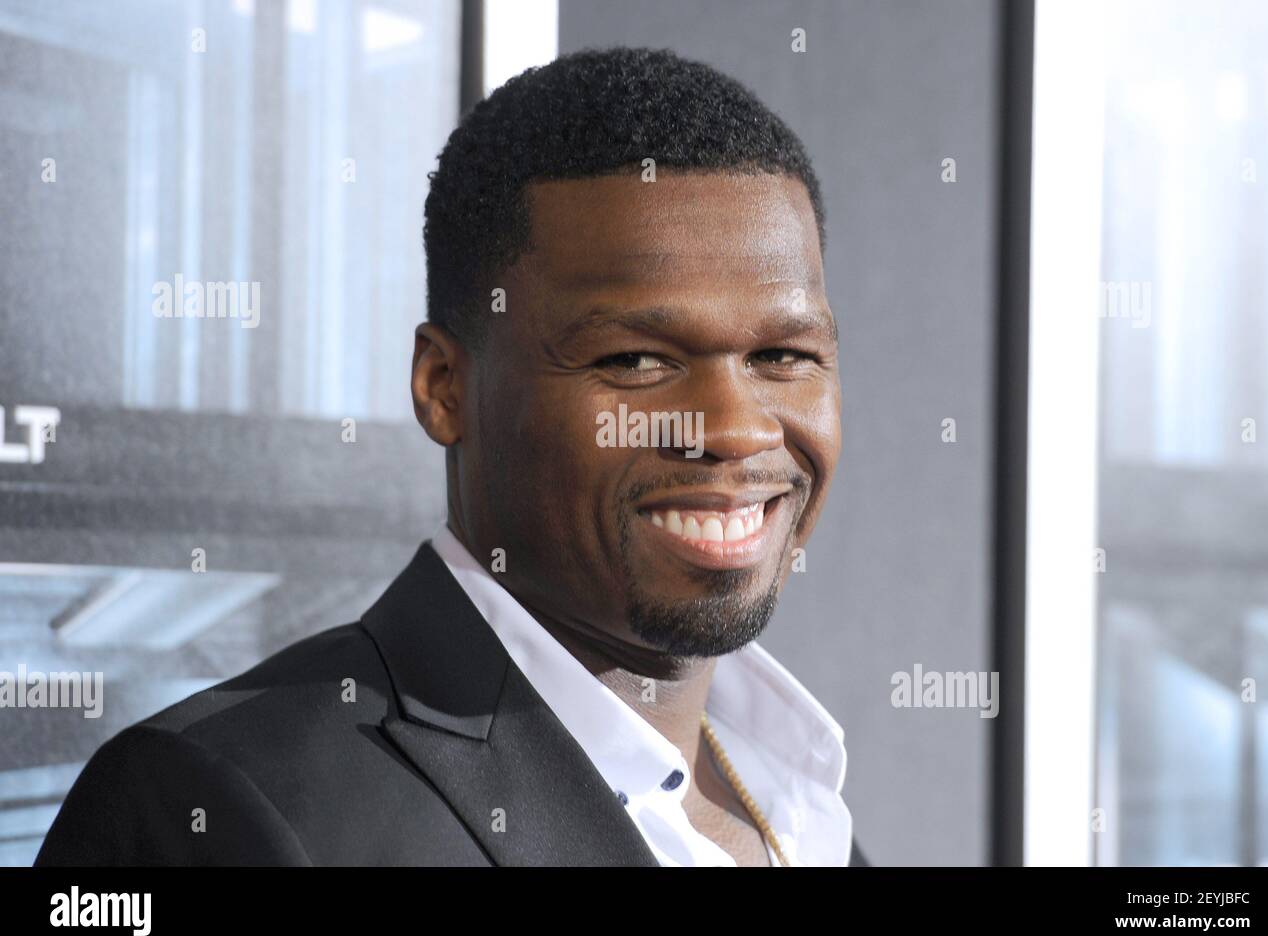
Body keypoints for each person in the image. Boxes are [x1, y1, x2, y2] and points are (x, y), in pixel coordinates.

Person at [36, 46, 866, 867]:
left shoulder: (799, 796)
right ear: (444, 388)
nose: (733, 428)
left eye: (784, 357)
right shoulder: (208, 807)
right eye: (635, 360)